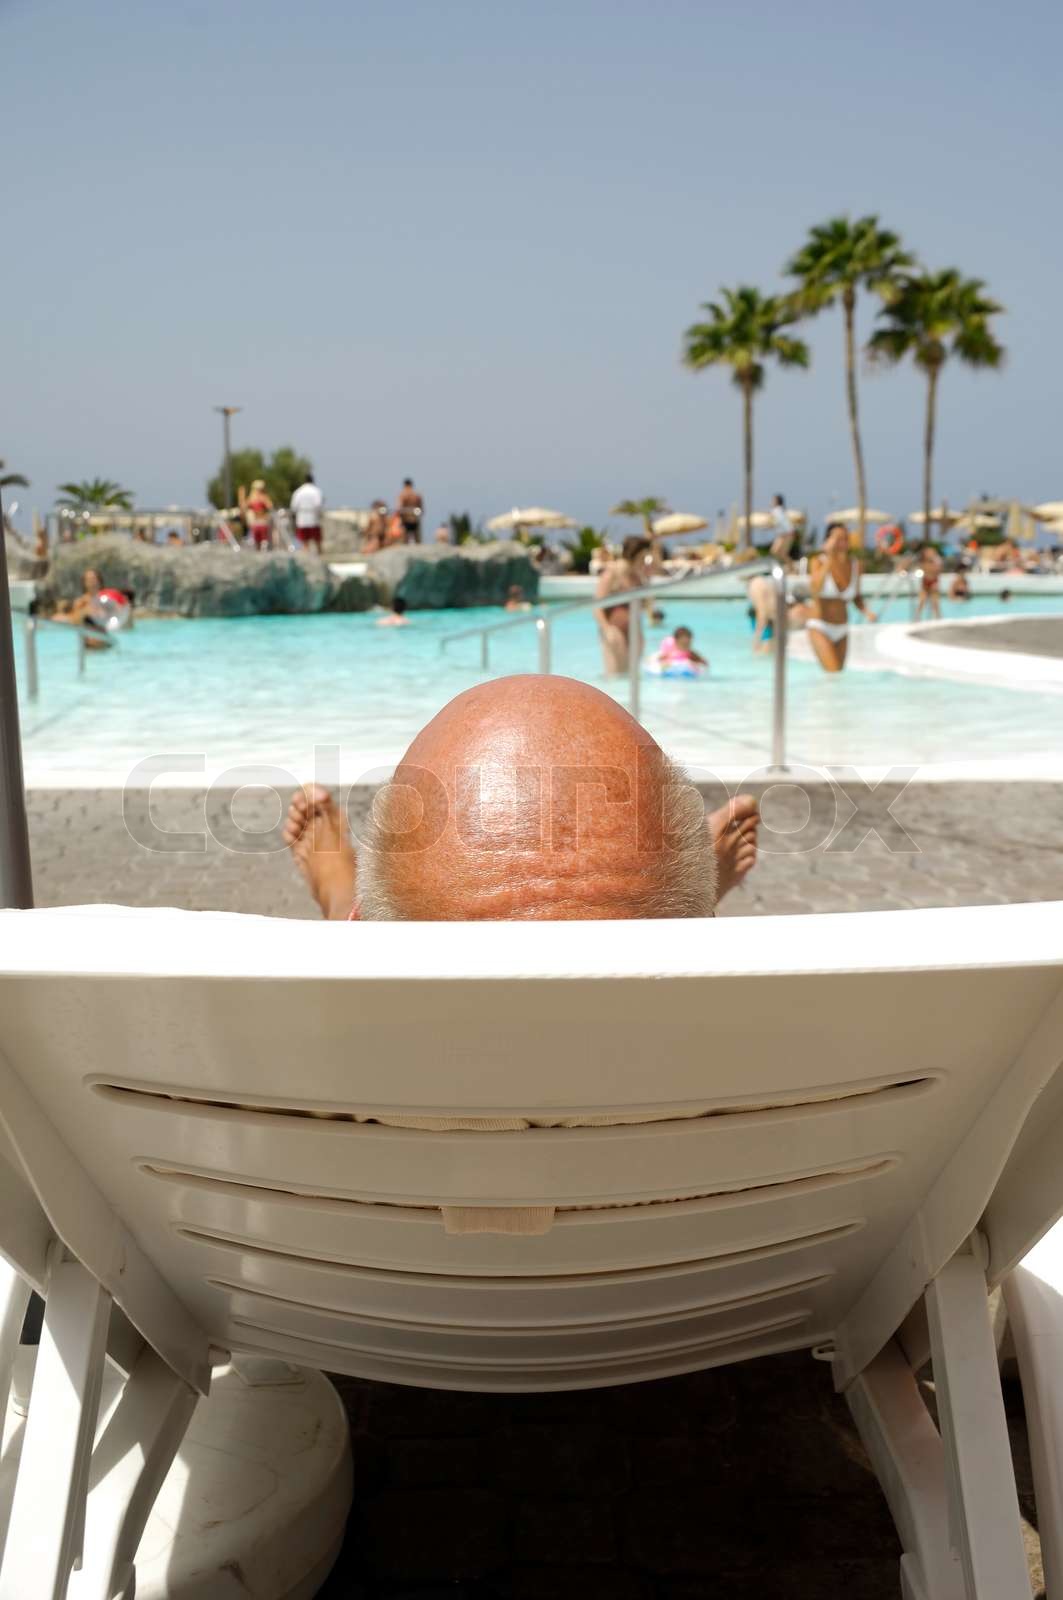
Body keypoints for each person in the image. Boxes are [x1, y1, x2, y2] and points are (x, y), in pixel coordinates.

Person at [283, 674, 759, 922]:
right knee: (658, 898)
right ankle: (665, 906)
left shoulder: (304, 1085)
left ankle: (341, 895)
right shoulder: (788, 1059)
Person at [806, 522, 877, 674]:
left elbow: (856, 597)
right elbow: (815, 589)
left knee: (839, 675)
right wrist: (829, 558)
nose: (842, 543)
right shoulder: (818, 562)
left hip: (842, 629)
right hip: (820, 627)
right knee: (832, 672)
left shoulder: (855, 565)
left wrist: (866, 611)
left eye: (845, 538)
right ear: (827, 541)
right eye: (837, 539)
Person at [595, 535, 651, 676]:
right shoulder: (612, 574)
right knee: (614, 674)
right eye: (643, 557)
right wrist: (607, 629)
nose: (645, 561)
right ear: (635, 555)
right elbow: (597, 606)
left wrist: (646, 580)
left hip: (633, 629)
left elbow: (646, 605)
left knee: (631, 675)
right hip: (614, 629)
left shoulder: (637, 577)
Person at [290, 472, 324, 553]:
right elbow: (318, 505)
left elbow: (293, 507)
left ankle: (306, 560)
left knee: (305, 544)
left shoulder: (298, 492)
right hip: (314, 520)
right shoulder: (316, 491)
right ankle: (320, 559)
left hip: (302, 521)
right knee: (318, 543)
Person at [239, 479, 274, 551]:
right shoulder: (260, 498)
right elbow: (270, 506)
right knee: (260, 543)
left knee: (261, 543)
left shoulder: (256, 498)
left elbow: (270, 506)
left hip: (260, 523)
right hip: (258, 523)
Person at [914, 545, 943, 621]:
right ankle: (917, 618)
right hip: (925, 583)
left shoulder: (935, 563)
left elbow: (937, 572)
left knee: (935, 603)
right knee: (922, 601)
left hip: (933, 583)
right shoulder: (923, 563)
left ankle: (938, 618)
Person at [397, 478, 424, 543]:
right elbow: (422, 508)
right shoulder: (417, 494)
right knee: (417, 539)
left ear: (404, 485)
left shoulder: (402, 494)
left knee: (405, 539)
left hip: (406, 518)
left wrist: (400, 517)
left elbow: (399, 508)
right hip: (415, 518)